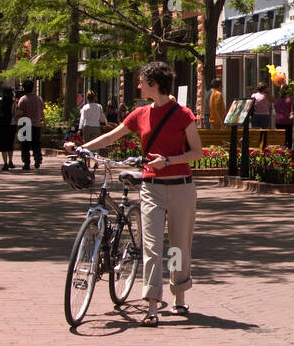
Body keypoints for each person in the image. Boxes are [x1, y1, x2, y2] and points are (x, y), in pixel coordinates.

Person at [67, 61, 203, 326]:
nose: (138, 85)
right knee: (151, 247)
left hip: (181, 187)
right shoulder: (139, 114)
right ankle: (152, 305)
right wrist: (82, 149)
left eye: (141, 81)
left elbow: (196, 153)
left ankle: (179, 296)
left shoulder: (183, 114)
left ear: (154, 84)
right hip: (151, 188)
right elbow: (111, 137)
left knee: (177, 247)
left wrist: (168, 160)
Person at [14, 80, 45, 172]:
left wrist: (17, 120)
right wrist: (44, 122)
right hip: (36, 124)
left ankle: (26, 162)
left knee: (25, 145)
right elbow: (42, 112)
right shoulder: (38, 98)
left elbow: (19, 113)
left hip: (25, 124)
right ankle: (37, 159)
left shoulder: (23, 99)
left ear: (24, 88)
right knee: (36, 144)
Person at [0, 86, 16, 170]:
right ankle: (11, 161)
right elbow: (14, 114)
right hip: (11, 124)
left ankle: (5, 163)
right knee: (10, 143)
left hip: (1, 125)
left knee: (3, 145)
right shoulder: (13, 102)